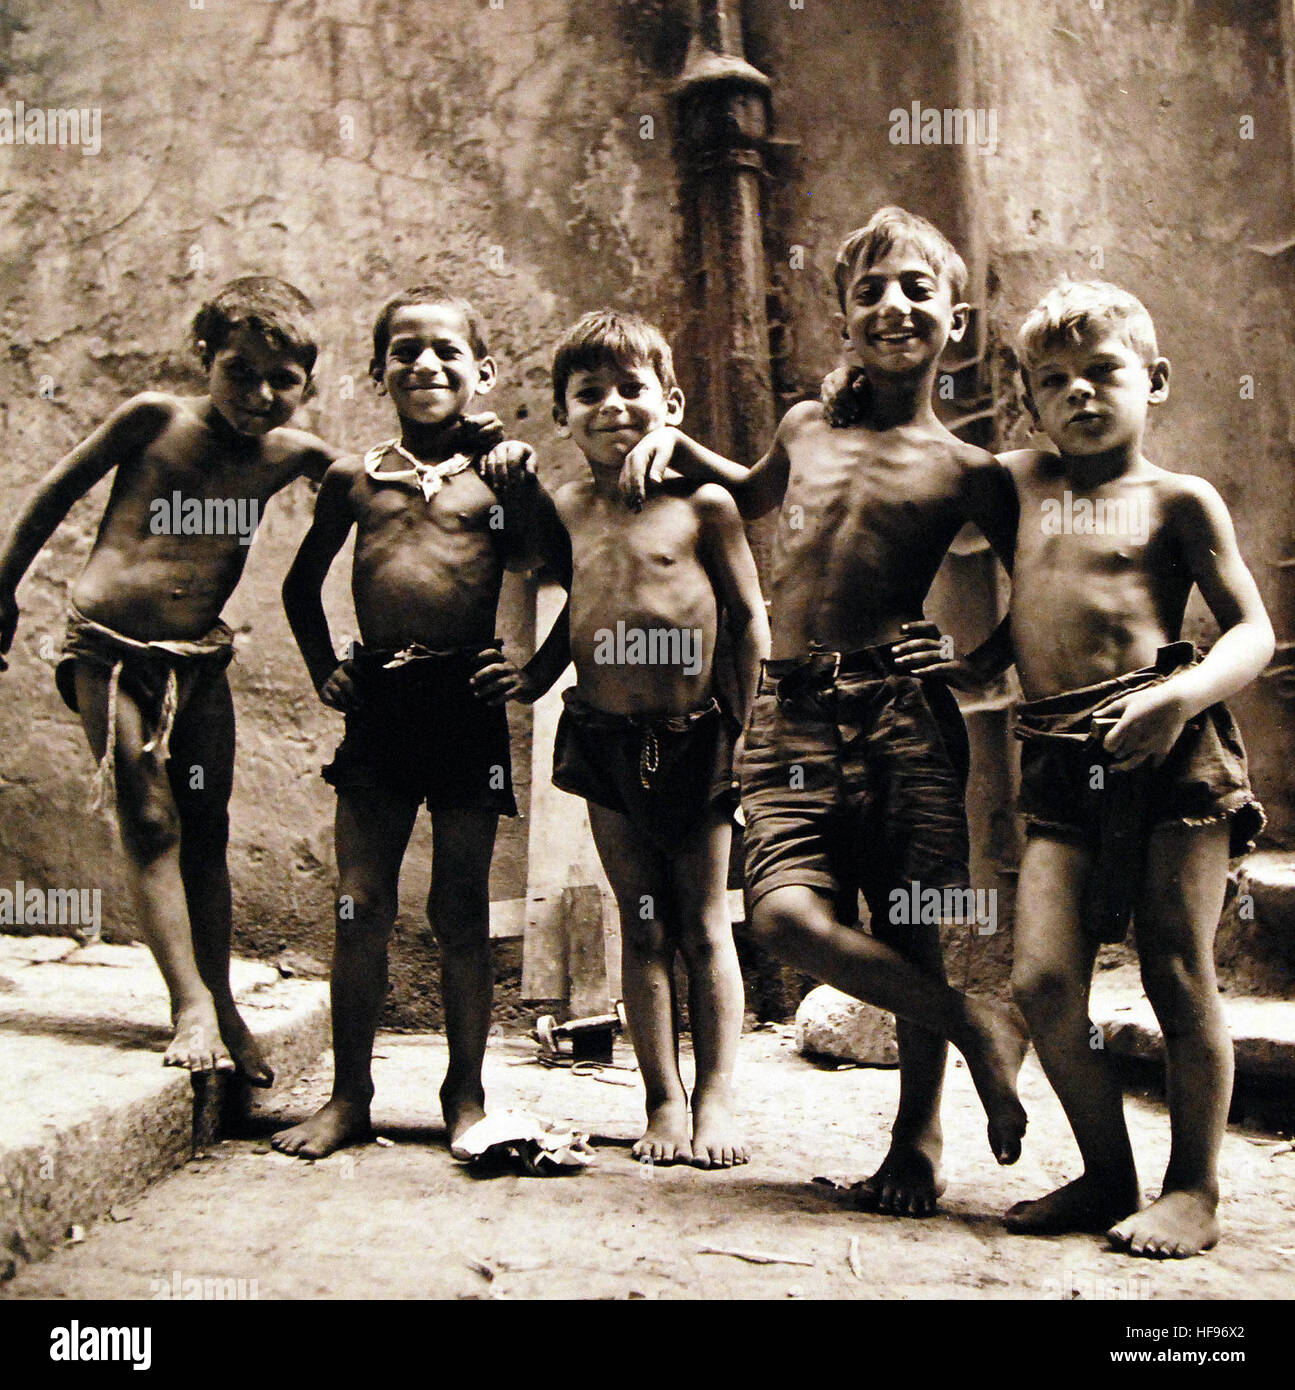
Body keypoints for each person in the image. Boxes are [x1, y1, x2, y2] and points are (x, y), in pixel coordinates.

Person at [618, 208, 1030, 1214]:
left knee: (910, 922)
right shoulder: (805, 425)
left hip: (900, 714)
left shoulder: (970, 472)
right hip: (792, 706)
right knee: (782, 915)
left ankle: (916, 1142)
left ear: (955, 321)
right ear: (842, 316)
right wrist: (671, 443)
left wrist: (973, 667)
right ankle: (972, 1024)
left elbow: (1044, 596)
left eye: (916, 289)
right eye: (870, 290)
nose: (893, 306)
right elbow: (754, 495)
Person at [0, 276, 340, 1083]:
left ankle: (219, 1001)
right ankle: (187, 1003)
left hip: (199, 662)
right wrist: (3, 588)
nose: (260, 396)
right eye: (238, 371)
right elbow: (52, 497)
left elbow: (389, 490)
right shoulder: (154, 418)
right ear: (204, 359)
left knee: (207, 827)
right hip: (107, 652)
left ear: (308, 382)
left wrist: (484, 458)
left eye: (282, 380)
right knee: (150, 819)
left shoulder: (294, 456)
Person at [999, 280, 1270, 1257]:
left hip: (1171, 751)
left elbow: (1250, 629)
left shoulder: (1175, 501)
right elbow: (918, 472)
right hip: (1063, 763)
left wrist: (1180, 698)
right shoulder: (1020, 485)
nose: (1078, 393)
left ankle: (1191, 1188)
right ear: (1027, 402)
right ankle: (1105, 1172)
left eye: (1102, 371)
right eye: (1052, 381)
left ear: (1151, 382)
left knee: (1173, 967)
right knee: (1037, 978)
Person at [273, 287, 568, 1159]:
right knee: (358, 904)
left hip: (464, 710)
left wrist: (531, 675)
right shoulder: (353, 479)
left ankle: (464, 1096)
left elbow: (568, 573)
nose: (424, 364)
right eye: (404, 351)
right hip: (380, 706)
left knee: (460, 908)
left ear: (480, 372)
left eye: (446, 351)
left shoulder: (501, 482)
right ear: (378, 372)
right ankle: (350, 1096)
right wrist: (324, 665)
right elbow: (300, 586)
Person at [532, 309, 769, 1166]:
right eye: (588, 394)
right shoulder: (564, 510)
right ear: (562, 414)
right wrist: (525, 679)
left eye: (632, 390)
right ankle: (661, 1101)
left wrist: (748, 731)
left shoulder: (704, 505)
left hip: (698, 734)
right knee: (640, 924)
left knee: (704, 924)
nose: (611, 408)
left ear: (668, 403)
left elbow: (747, 623)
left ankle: (715, 1101)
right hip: (603, 739)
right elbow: (582, 612)